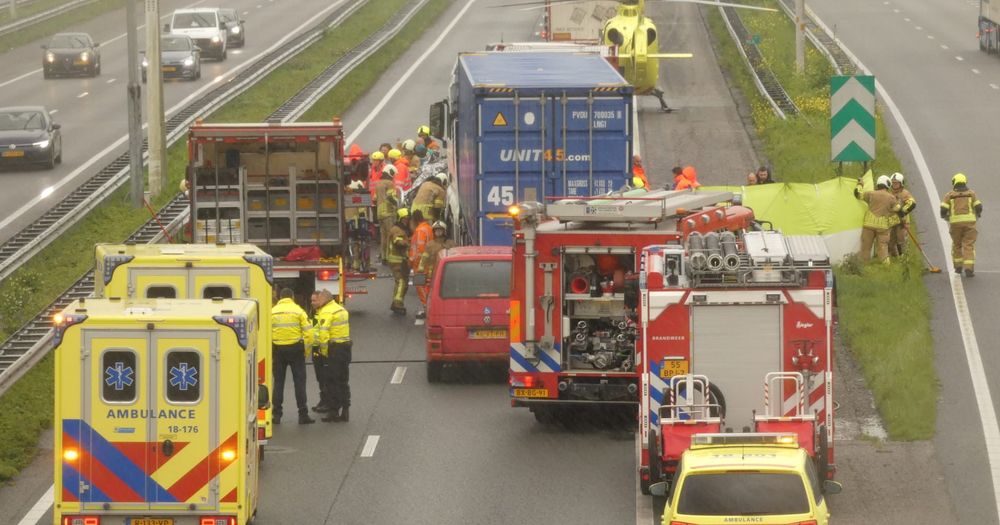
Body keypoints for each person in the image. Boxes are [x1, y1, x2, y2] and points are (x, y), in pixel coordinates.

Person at [271, 288, 314, 425]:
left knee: (278, 383)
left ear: (280, 297)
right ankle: (303, 414)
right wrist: (306, 352)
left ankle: (276, 415)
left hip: (278, 350)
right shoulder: (299, 311)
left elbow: (265, 333)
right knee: (299, 383)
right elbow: (309, 334)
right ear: (292, 297)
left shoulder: (272, 311)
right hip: (296, 350)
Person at [311, 289, 352, 423]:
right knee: (343, 380)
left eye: (319, 299)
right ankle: (345, 409)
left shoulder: (326, 312)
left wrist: (324, 353)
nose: (318, 302)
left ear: (325, 299)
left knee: (332, 381)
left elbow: (323, 334)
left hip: (334, 350)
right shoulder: (341, 310)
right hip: (345, 347)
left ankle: (334, 411)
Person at [940, 173, 983, 276]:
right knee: (968, 245)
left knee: (956, 244)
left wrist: (945, 217)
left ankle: (958, 267)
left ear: (954, 182)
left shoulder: (949, 195)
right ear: (965, 182)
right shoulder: (971, 193)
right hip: (970, 224)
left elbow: (943, 209)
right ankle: (969, 269)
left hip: (955, 224)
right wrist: (978, 214)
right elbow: (979, 207)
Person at [854, 174, 900, 263]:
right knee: (883, 248)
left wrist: (860, 184)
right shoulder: (891, 197)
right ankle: (886, 268)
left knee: (865, 248)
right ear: (888, 185)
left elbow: (858, 194)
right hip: (883, 227)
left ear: (878, 184)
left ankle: (863, 266)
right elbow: (897, 209)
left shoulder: (870, 194)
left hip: (869, 224)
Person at [309, 291, 332, 413]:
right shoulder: (314, 312)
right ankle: (323, 400)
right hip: (316, 348)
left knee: (325, 377)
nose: (312, 303)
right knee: (319, 377)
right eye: (311, 300)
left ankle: (328, 401)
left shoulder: (324, 313)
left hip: (323, 349)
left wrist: (324, 350)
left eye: (315, 300)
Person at [409, 209, 433, 319]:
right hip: (429, 262)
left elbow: (419, 249)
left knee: (421, 287)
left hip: (420, 264)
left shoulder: (419, 231)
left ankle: (427, 308)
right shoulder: (428, 228)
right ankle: (430, 307)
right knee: (428, 286)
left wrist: (412, 261)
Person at [388, 208, 412, 314]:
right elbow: (398, 241)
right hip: (397, 261)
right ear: (400, 219)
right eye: (404, 219)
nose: (406, 221)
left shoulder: (404, 229)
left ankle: (396, 302)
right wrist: (408, 243)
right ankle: (397, 304)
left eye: (407, 219)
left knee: (403, 283)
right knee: (401, 282)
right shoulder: (397, 230)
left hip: (402, 260)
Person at [887, 172, 916, 256]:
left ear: (901, 183)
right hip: (891, 222)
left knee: (901, 240)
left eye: (896, 183)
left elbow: (912, 203)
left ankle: (904, 258)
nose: (895, 185)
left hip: (902, 223)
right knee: (891, 241)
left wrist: (902, 212)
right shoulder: (889, 193)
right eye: (893, 183)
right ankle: (895, 259)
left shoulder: (905, 193)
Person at [375, 165, 399, 264]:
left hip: (379, 212)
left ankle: (383, 256)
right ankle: (390, 257)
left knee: (383, 236)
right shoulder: (389, 183)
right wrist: (397, 204)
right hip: (388, 212)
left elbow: (375, 198)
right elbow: (390, 197)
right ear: (390, 173)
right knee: (390, 235)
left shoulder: (378, 183)